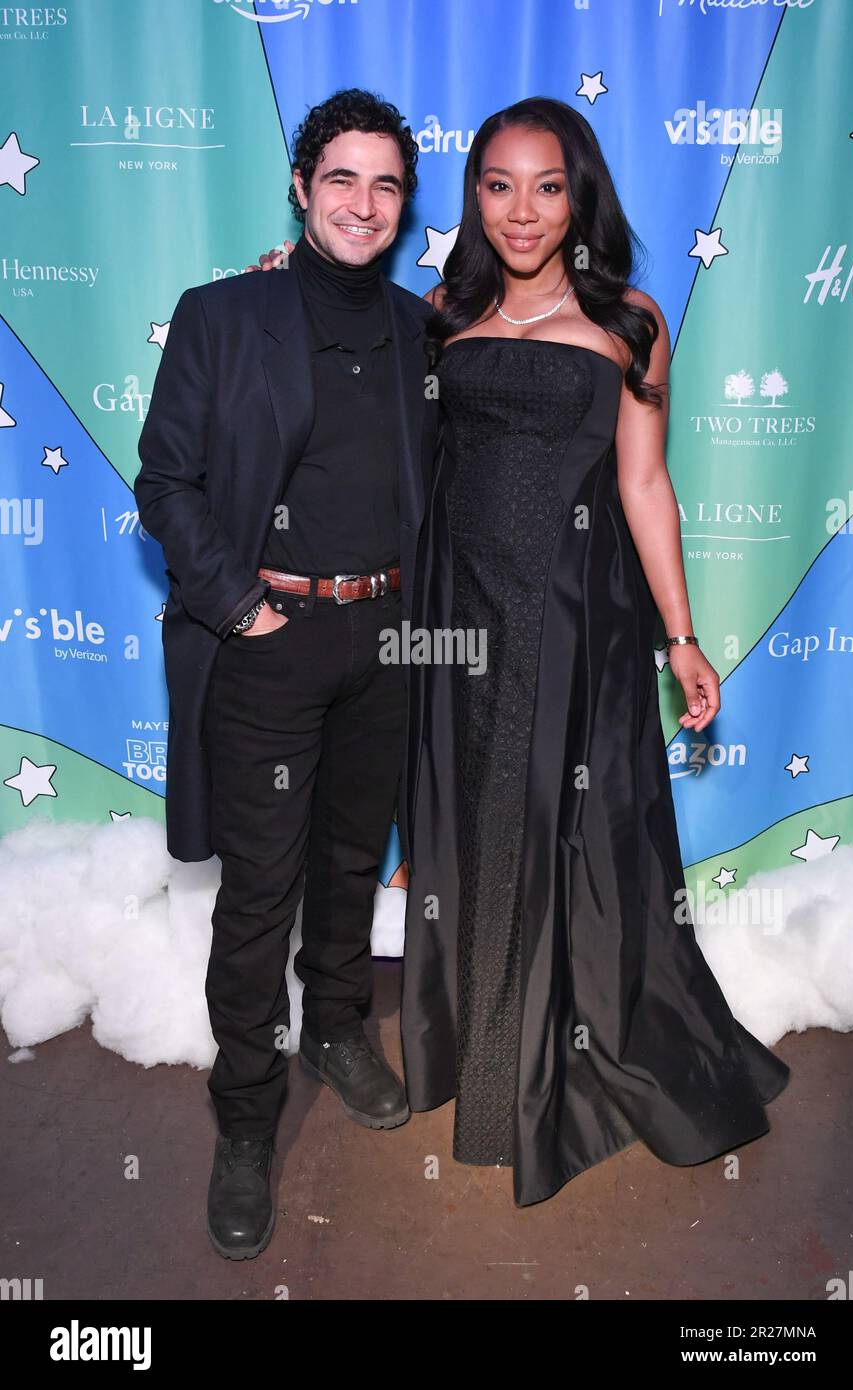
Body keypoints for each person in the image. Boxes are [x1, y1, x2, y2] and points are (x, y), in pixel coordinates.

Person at [397, 97, 791, 1207]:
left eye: (547, 185)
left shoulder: (628, 322)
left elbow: (642, 482)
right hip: (458, 618)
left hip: (575, 619)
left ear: (580, 196)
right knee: (473, 824)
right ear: (472, 199)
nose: (521, 211)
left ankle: (551, 1064)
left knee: (570, 832)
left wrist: (680, 637)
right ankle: (481, 1047)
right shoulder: (437, 314)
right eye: (496, 185)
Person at [134, 89, 440, 1259]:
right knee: (259, 892)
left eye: (386, 184)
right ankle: (247, 1117)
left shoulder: (422, 332)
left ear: (404, 204)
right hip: (268, 644)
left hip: (386, 643)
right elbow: (165, 481)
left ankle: (338, 1031)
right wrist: (241, 608)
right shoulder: (224, 316)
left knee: (350, 862)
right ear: (302, 190)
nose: (364, 203)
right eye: (342, 179)